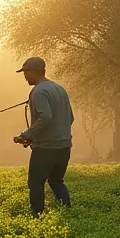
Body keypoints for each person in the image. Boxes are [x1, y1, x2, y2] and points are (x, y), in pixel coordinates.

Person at [14, 56, 74, 215]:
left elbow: (45, 117)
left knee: (35, 183)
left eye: (26, 72)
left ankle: (36, 216)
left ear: (34, 71)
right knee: (56, 181)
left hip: (46, 148)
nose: (25, 76)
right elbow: (71, 118)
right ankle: (67, 213)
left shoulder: (38, 92)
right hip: (64, 146)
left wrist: (26, 134)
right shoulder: (60, 89)